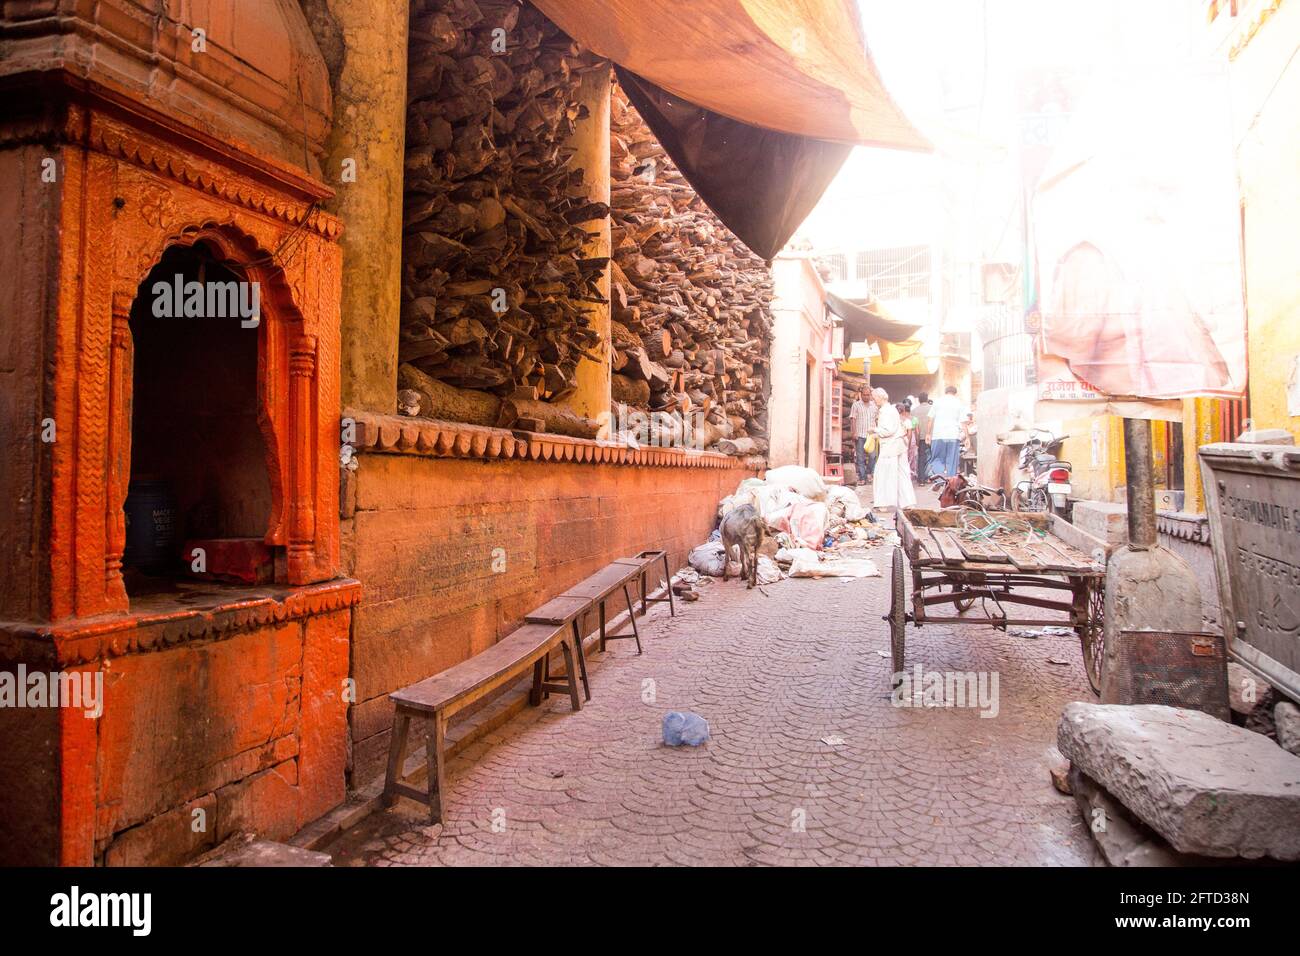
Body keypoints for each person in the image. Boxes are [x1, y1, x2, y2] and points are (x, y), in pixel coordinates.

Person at [871, 388, 917, 512]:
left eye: (874, 398)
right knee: (902, 475)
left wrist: (875, 430)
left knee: (883, 475)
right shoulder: (892, 409)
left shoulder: (884, 411)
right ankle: (908, 503)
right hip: (899, 445)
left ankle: (883, 504)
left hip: (890, 447)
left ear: (880, 398)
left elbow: (888, 431)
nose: (873, 400)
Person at [928, 385, 967, 478]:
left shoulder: (937, 402)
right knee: (952, 461)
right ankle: (950, 482)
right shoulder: (959, 403)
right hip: (953, 435)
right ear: (955, 393)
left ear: (945, 392)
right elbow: (963, 422)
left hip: (938, 436)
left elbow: (930, 419)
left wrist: (928, 434)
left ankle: (940, 480)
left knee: (937, 459)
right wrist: (967, 437)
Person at [847, 385, 878, 485]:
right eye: (864, 395)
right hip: (860, 435)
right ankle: (862, 478)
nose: (866, 397)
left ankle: (869, 473)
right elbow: (853, 419)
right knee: (860, 458)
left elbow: (877, 419)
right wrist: (854, 432)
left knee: (873, 456)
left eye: (868, 395)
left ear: (871, 395)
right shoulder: (856, 405)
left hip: (871, 436)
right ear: (861, 395)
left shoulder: (874, 406)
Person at [913, 391, 932, 479]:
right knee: (931, 457)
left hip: (920, 437)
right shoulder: (932, 409)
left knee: (921, 457)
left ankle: (921, 479)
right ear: (927, 399)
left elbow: (914, 426)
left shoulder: (914, 411)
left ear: (919, 400)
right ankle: (929, 477)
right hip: (931, 437)